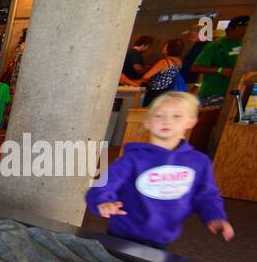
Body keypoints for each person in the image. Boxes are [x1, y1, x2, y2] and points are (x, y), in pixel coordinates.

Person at [86, 91, 232, 250]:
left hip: (163, 238)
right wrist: (103, 202)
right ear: (147, 122)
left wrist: (215, 216)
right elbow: (103, 186)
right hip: (123, 233)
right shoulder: (132, 159)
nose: (167, 121)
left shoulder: (199, 162)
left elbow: (206, 196)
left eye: (177, 116)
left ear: (191, 121)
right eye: (159, 116)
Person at [192, 15, 248, 107]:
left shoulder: (245, 43)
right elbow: (196, 67)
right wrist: (220, 70)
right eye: (241, 28)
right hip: (216, 93)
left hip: (238, 91)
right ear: (231, 29)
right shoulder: (215, 46)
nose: (244, 32)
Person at [137, 39, 185, 106]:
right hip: (166, 91)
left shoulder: (165, 61)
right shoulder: (179, 62)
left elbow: (146, 76)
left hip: (155, 92)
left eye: (165, 46)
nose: (163, 48)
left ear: (169, 49)